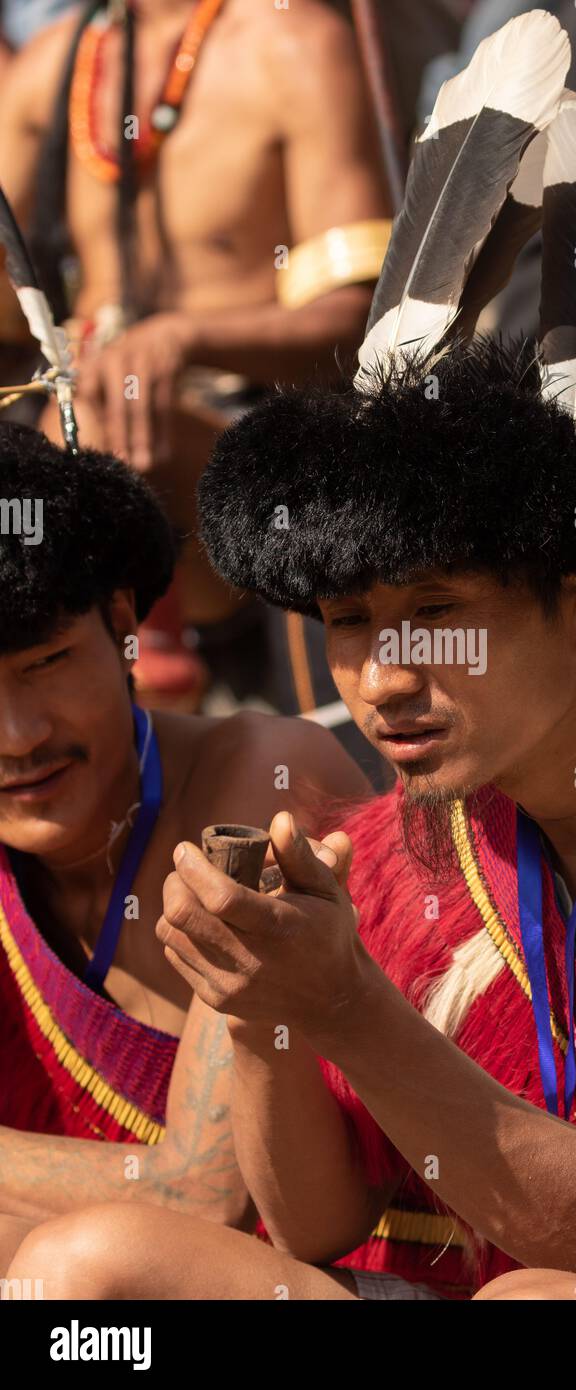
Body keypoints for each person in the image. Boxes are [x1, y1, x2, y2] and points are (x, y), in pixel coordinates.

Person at [8, 13, 576, 1305]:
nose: (381, 677)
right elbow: (314, 1221)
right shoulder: (407, 830)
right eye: (348, 626)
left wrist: (345, 1002)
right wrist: (266, 1011)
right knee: (93, 1273)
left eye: (432, 616)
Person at [0, 421, 369, 1278]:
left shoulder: (262, 784)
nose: (18, 737)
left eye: (48, 661)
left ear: (124, 627)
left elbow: (206, 1193)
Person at [0, 0, 392, 706]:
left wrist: (180, 339)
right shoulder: (51, 67)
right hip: (79, 418)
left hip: (256, 447)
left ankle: (144, 684)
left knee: (86, 434)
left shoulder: (292, 43)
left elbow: (359, 323)